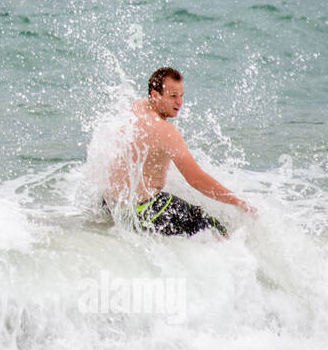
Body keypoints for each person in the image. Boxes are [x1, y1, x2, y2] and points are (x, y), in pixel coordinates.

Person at [102, 67, 256, 236]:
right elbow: (196, 179)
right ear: (155, 95)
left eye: (181, 95)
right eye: (173, 96)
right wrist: (237, 201)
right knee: (215, 229)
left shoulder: (136, 106)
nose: (180, 102)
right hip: (144, 210)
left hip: (110, 205)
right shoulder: (167, 131)